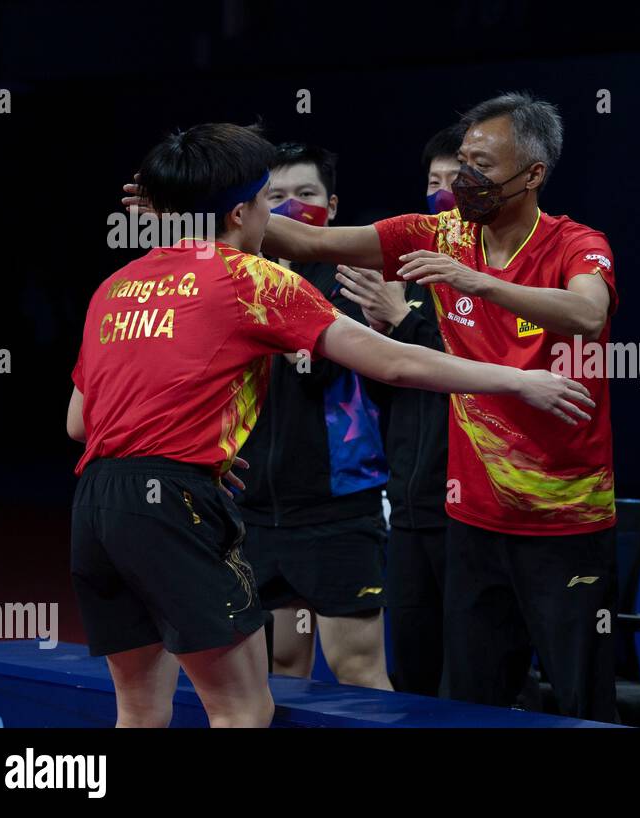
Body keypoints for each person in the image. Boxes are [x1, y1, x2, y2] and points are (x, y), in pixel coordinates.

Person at [79, 122, 595, 727]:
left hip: (95, 508)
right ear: (244, 211)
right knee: (242, 709)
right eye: (269, 203)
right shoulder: (252, 279)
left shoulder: (116, 285)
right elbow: (394, 361)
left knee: (138, 710)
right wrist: (516, 379)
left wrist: (190, 438)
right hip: (178, 505)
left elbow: (80, 420)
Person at [252, 92, 620, 721]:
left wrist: (478, 282)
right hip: (473, 522)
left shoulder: (573, 244)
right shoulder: (435, 233)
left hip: (565, 522)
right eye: (462, 162)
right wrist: (194, 205)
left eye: (481, 166)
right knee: (469, 700)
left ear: (532, 175)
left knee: (581, 703)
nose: (465, 180)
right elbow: (304, 239)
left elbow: (589, 313)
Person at [234, 142, 393, 689]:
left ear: (332, 204)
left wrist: (282, 268)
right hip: (253, 508)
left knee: (357, 670)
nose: (290, 207)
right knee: (278, 669)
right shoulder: (235, 280)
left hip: (337, 509)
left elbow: (317, 366)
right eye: (274, 197)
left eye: (306, 194)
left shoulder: (350, 279)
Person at [333, 123, 465, 696]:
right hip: (409, 509)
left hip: (469, 511)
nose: (441, 192)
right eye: (432, 180)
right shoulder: (409, 278)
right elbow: (396, 395)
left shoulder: (496, 279)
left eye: (455, 179)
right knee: (412, 669)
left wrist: (405, 324)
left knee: (471, 672)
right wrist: (384, 331)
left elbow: (477, 379)